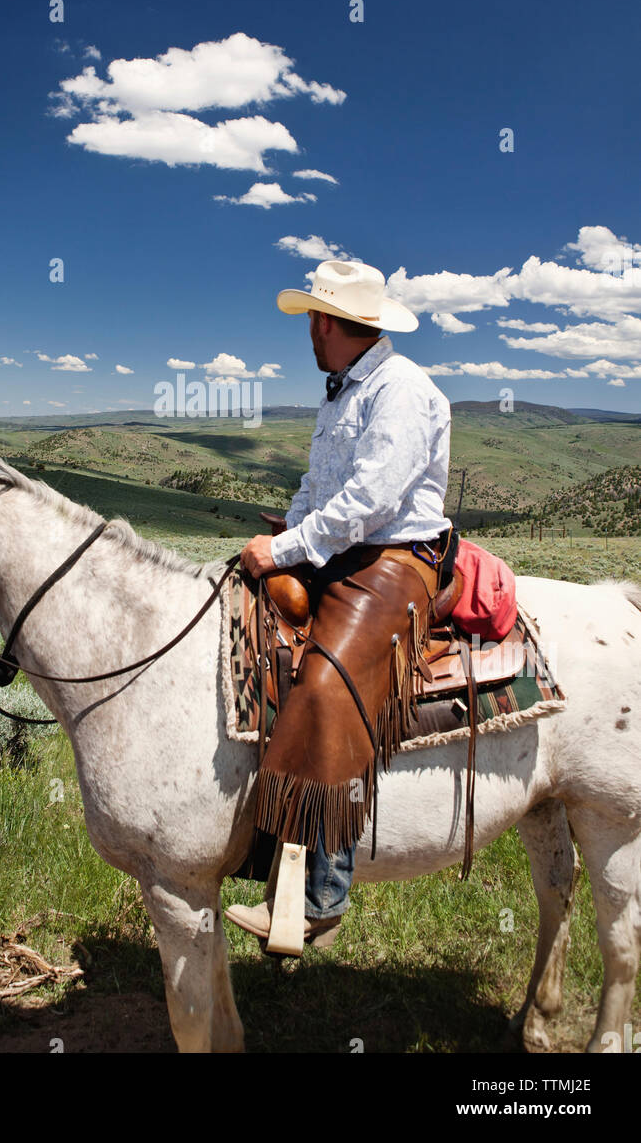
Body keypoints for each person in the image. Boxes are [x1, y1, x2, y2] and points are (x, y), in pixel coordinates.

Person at [225, 258, 452, 946]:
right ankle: (264, 854)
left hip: (393, 562)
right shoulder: (343, 390)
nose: (309, 333)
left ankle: (322, 896)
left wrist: (289, 551)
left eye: (313, 321)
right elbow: (315, 487)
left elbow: (372, 501)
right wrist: (289, 534)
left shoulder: (402, 390)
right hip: (341, 549)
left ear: (332, 323)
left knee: (324, 684)